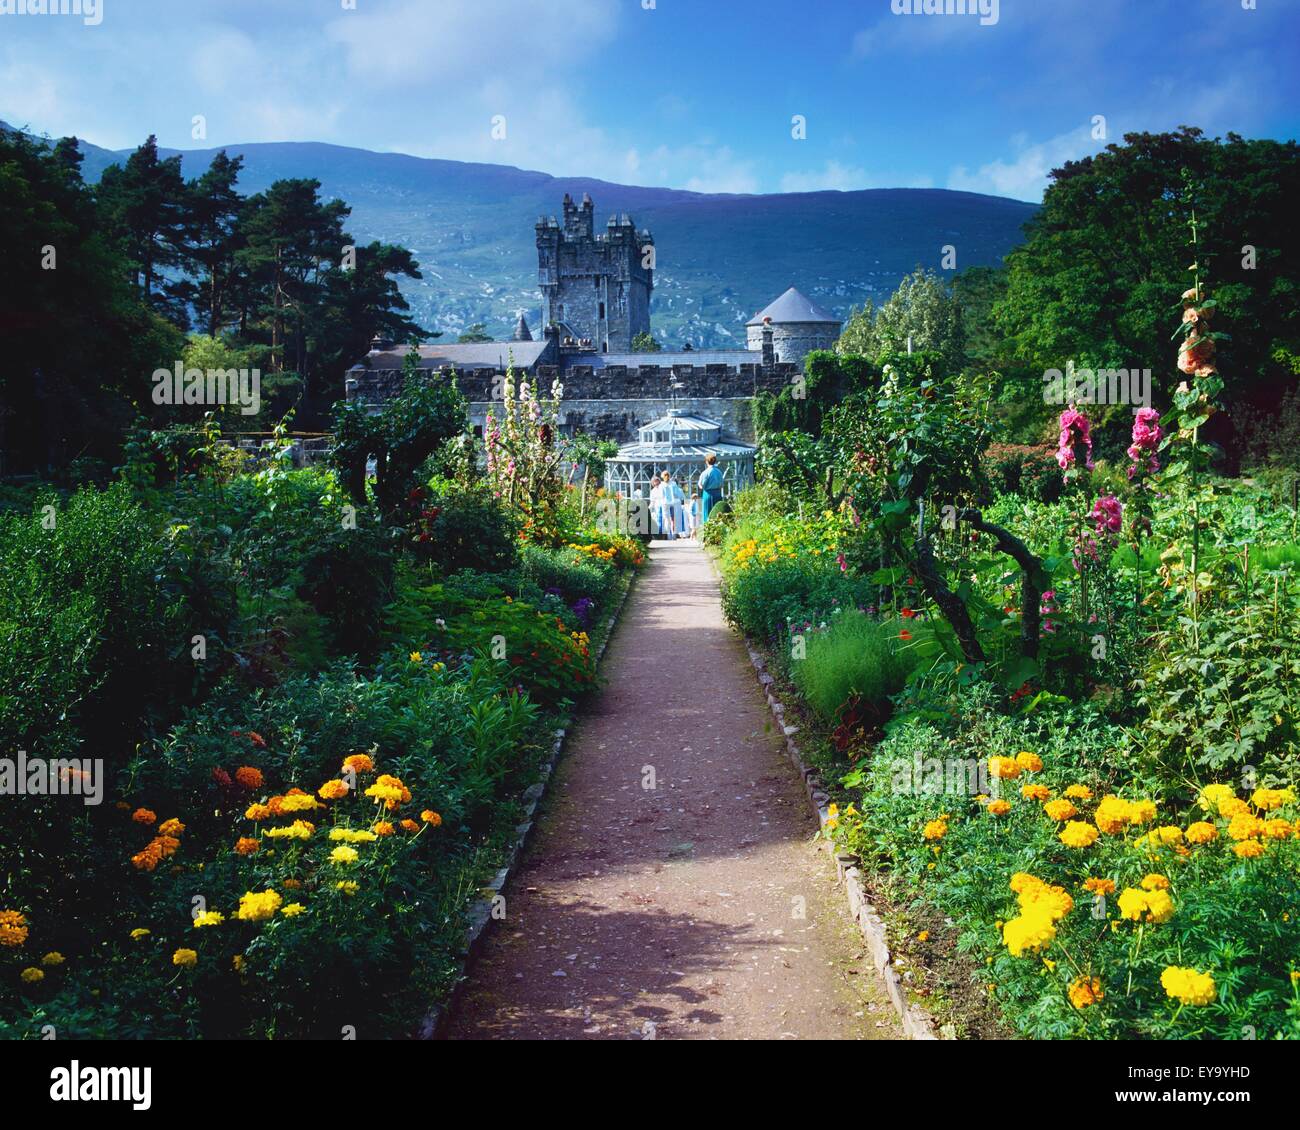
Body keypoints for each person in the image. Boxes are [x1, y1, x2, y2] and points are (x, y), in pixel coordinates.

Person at [699, 454, 724, 523]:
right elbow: (722, 485)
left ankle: (707, 531)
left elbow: (702, 485)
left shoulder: (705, 473)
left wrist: (700, 486)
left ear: (707, 461)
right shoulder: (719, 472)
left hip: (708, 494)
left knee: (707, 514)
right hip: (718, 494)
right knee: (718, 514)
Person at [660, 470, 685, 539]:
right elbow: (677, 493)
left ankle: (669, 535)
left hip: (665, 503)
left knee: (667, 519)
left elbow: (661, 495)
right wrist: (680, 498)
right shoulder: (673, 483)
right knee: (673, 519)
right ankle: (673, 534)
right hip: (673, 503)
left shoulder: (662, 485)